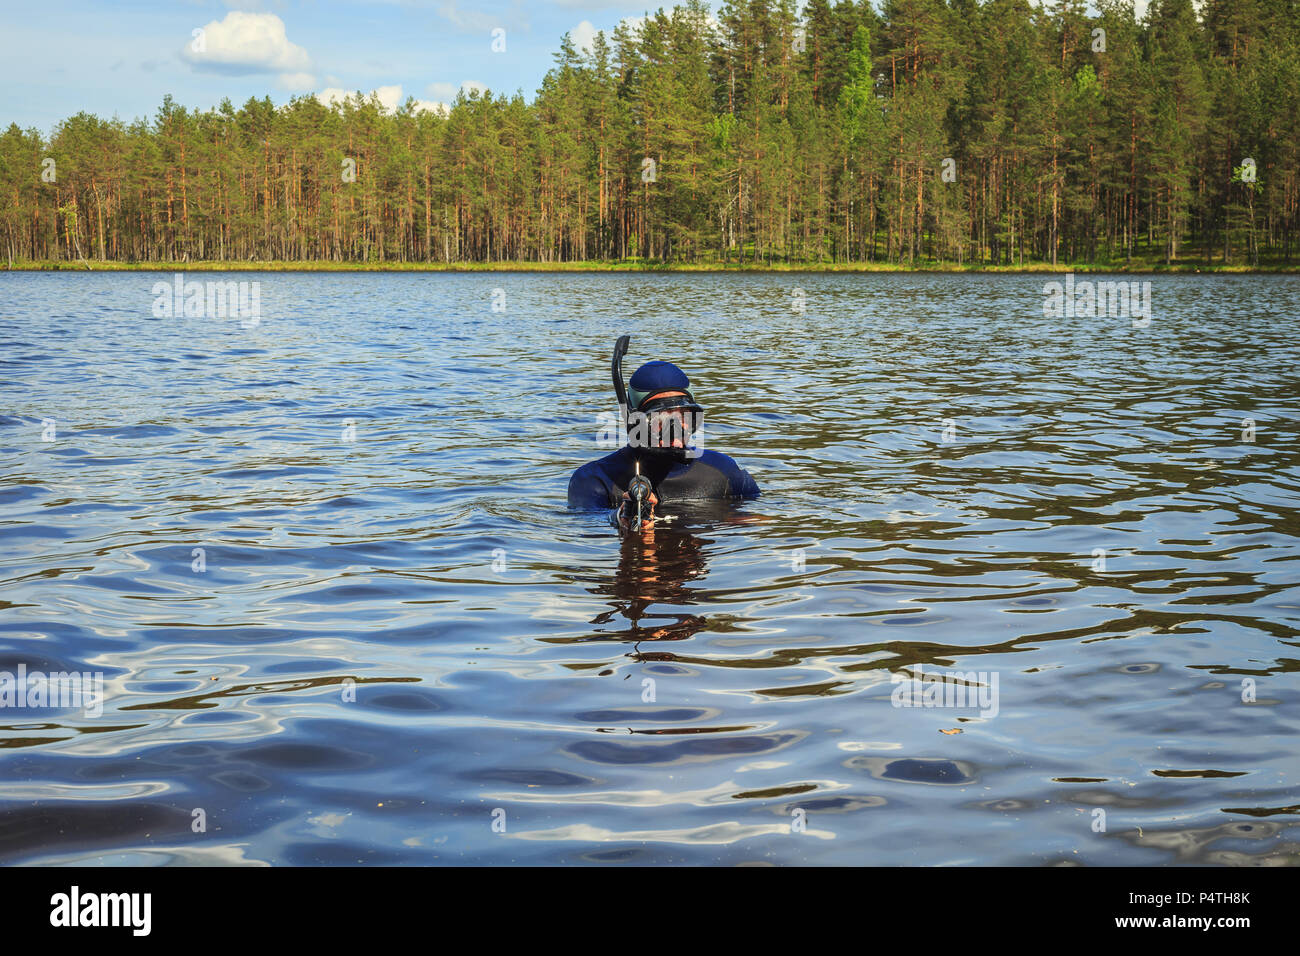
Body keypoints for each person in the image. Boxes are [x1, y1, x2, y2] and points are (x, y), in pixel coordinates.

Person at [567, 357, 759, 530]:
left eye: (683, 416)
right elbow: (585, 523)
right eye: (659, 419)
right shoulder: (595, 479)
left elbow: (766, 518)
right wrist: (621, 516)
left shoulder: (723, 470)